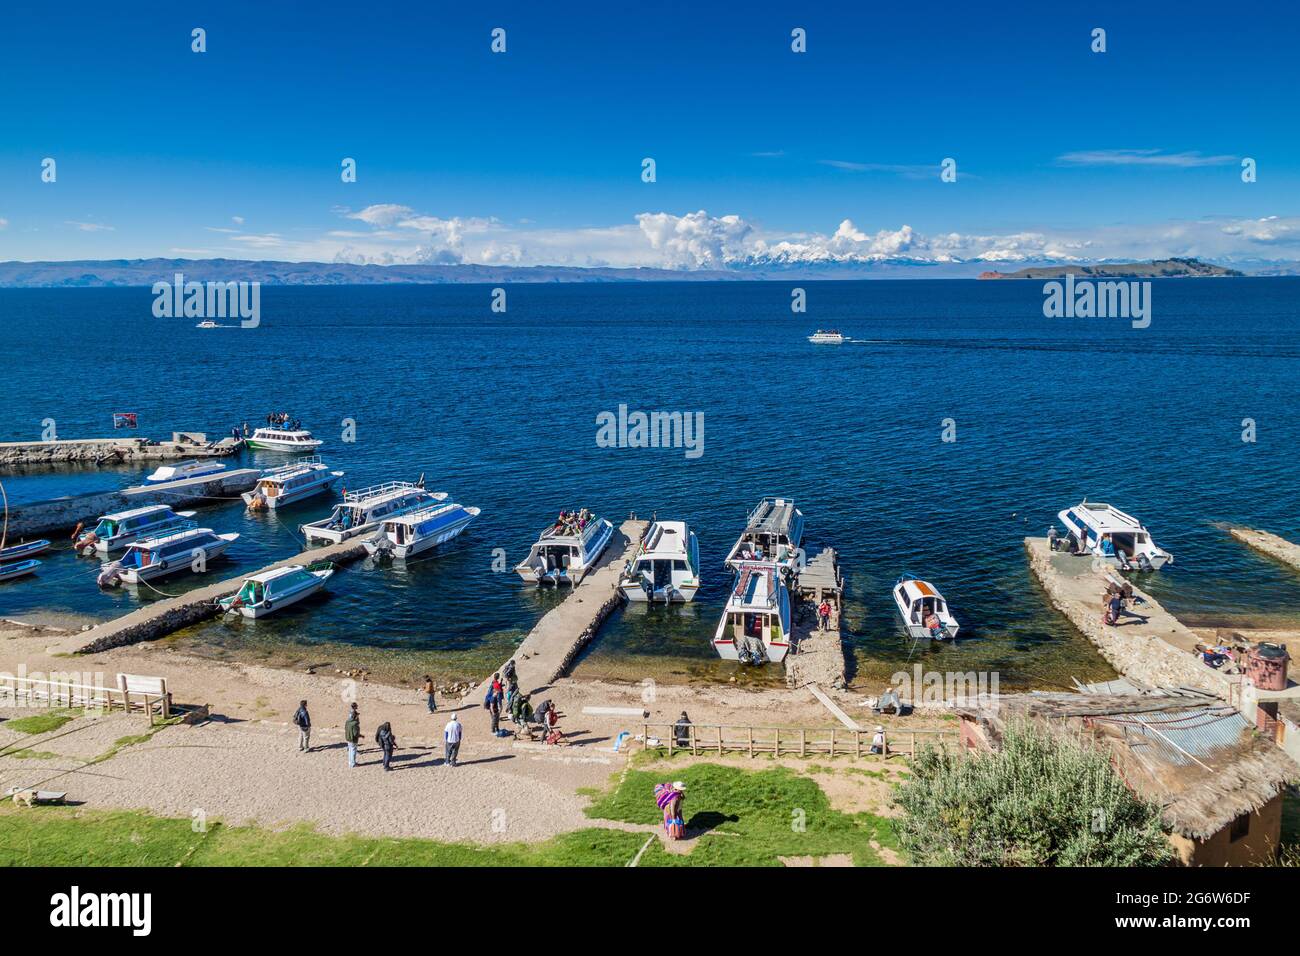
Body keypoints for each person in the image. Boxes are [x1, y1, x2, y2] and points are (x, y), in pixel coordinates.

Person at [344, 703, 361, 768]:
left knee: (350, 751)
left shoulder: (348, 721)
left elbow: (346, 728)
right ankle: (353, 764)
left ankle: (350, 763)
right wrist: (360, 735)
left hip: (348, 737)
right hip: (353, 739)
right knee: (353, 750)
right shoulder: (355, 724)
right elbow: (355, 733)